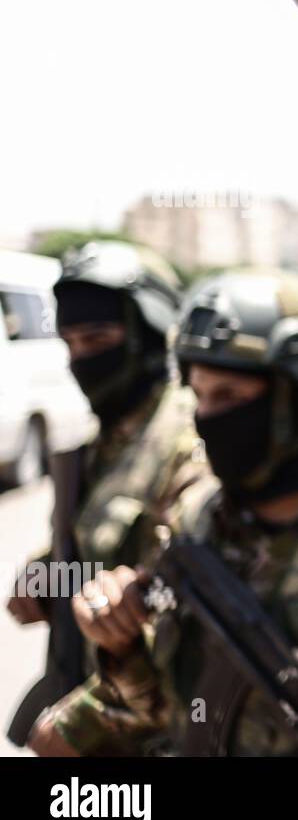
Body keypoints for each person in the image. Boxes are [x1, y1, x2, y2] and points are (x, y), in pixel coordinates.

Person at [28, 269, 298, 756]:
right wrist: (120, 642)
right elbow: (160, 706)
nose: (208, 417)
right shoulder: (195, 517)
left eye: (228, 396)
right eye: (200, 397)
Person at [6, 241, 202, 747]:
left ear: (147, 333)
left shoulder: (190, 441)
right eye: (70, 343)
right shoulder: (106, 441)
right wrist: (48, 579)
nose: (81, 360)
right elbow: (93, 550)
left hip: (156, 718)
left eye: (97, 338)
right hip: (94, 697)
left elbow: (185, 597)